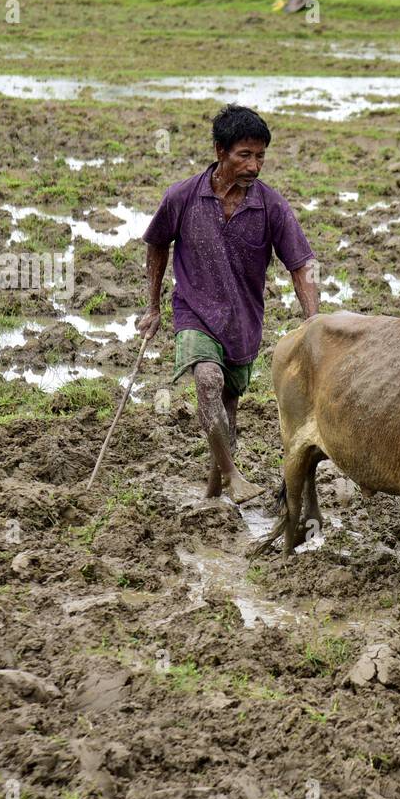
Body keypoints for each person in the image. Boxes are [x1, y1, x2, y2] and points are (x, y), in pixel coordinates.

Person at [138, 105, 321, 502]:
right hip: (193, 311)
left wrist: (314, 323)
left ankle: (213, 491)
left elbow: (302, 266)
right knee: (207, 381)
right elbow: (156, 244)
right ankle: (233, 476)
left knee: (227, 409)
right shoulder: (183, 196)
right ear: (220, 151)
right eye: (245, 155)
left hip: (243, 322)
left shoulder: (271, 206)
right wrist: (153, 307)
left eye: (260, 157)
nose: (254, 166)